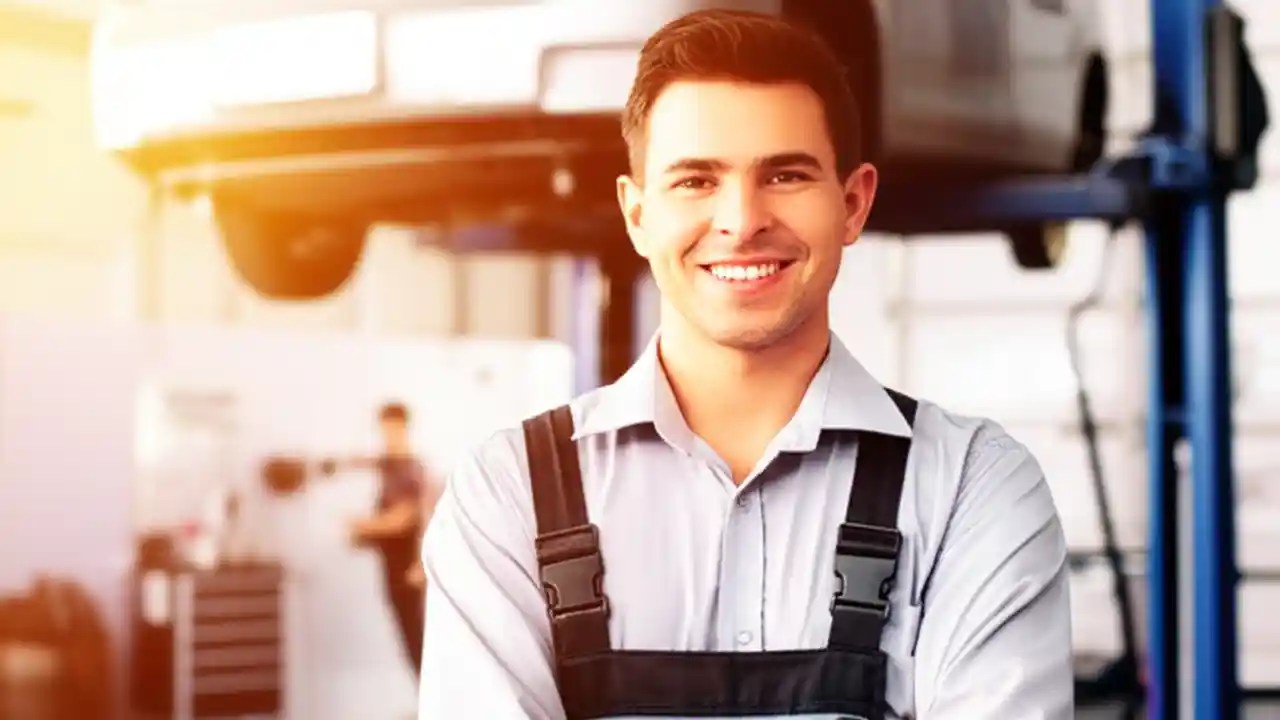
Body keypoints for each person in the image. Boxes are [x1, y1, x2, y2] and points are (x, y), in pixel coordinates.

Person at [419, 9, 1072, 719]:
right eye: (696, 181)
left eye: (785, 175)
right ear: (637, 215)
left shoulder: (969, 491)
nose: (741, 220)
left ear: (852, 204)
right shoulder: (509, 494)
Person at [331, 401, 438, 681]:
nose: (387, 437)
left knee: (419, 642)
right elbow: (361, 461)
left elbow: (402, 519)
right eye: (383, 431)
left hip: (409, 570)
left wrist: (361, 526)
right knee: (409, 640)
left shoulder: (411, 470)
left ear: (403, 428)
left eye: (392, 430)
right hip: (392, 566)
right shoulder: (388, 466)